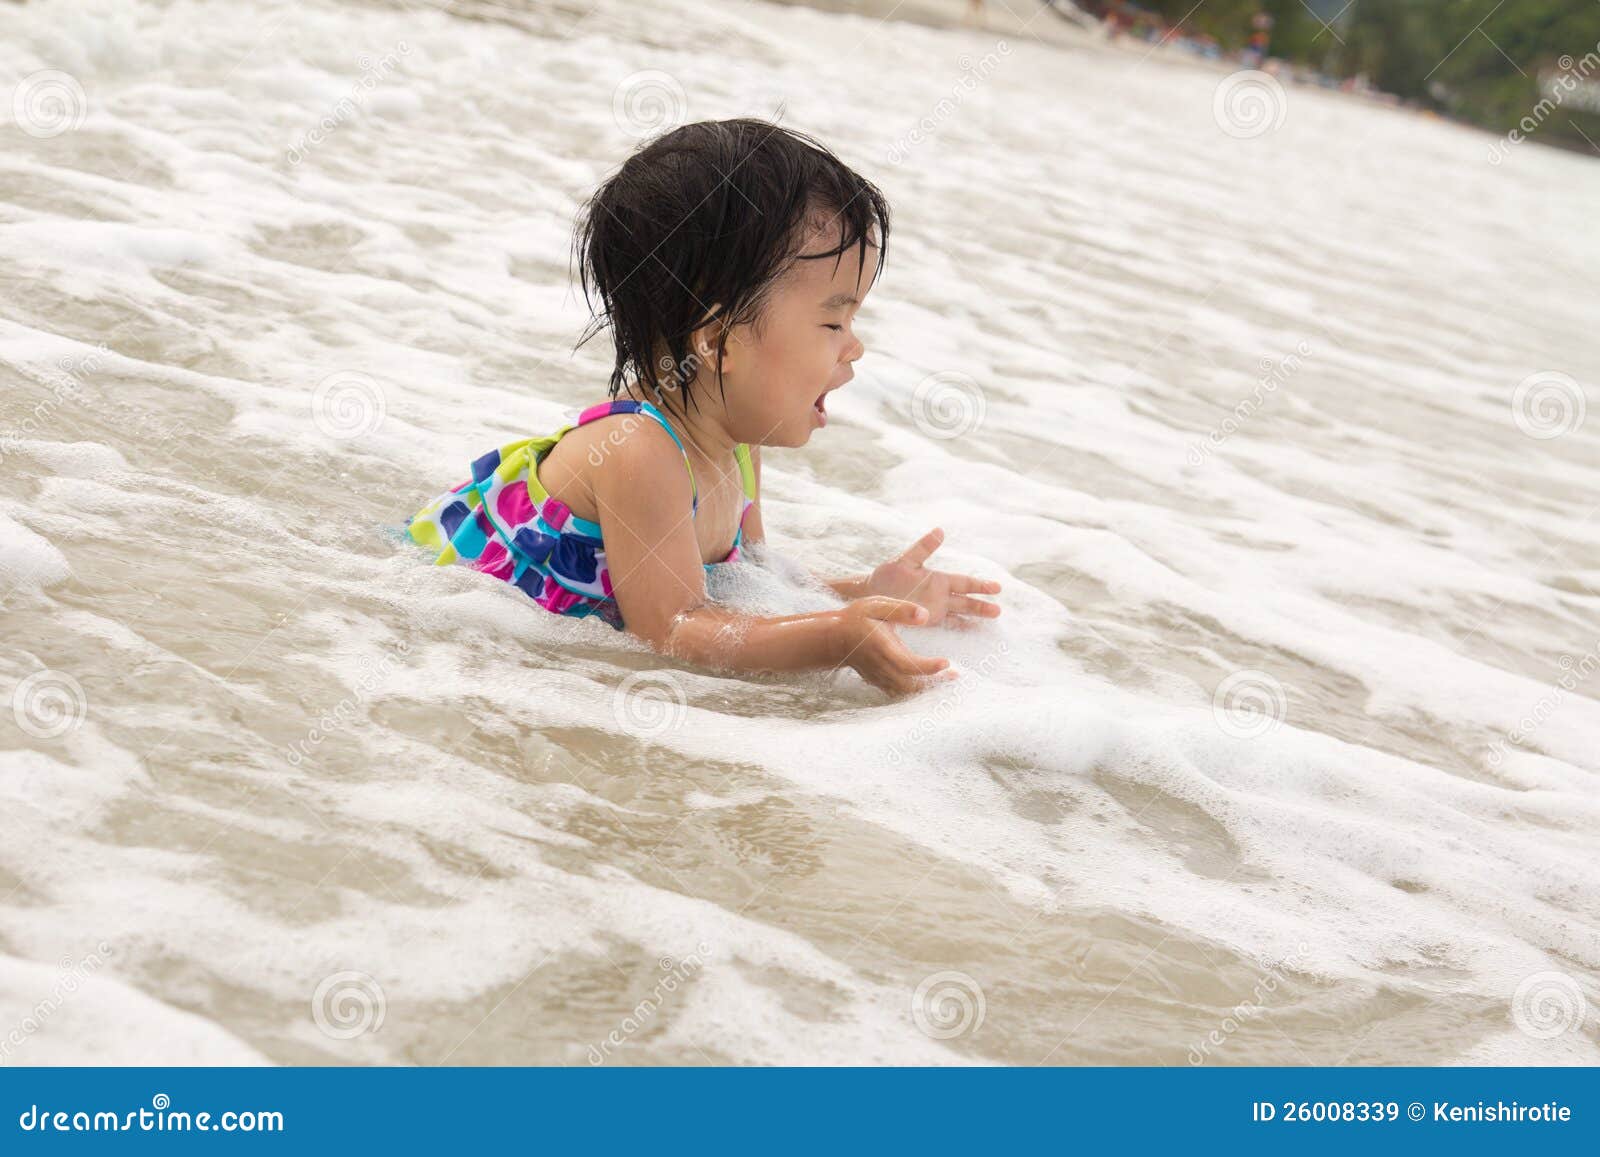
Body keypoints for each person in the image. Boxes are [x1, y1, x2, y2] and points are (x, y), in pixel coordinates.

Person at [407, 119, 1001, 696]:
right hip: (442, 620)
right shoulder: (640, 452)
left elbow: (749, 585)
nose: (856, 346)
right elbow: (670, 630)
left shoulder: (738, 448)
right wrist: (830, 638)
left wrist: (865, 593)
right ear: (717, 342)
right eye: (832, 320)